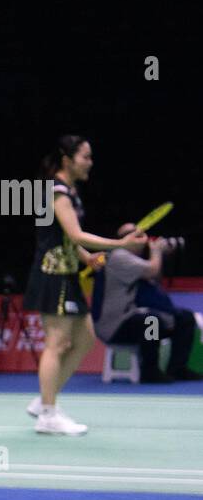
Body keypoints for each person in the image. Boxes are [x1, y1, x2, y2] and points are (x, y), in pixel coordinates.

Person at [23, 136, 147, 435]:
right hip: (52, 275)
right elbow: (76, 234)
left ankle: (44, 401)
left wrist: (86, 258)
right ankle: (48, 415)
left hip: (67, 274)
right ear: (67, 159)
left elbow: (64, 236)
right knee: (57, 343)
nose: (90, 162)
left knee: (86, 339)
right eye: (85, 157)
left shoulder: (70, 192)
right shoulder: (58, 190)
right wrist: (121, 244)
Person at [94, 225, 200, 382]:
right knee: (151, 322)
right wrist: (156, 252)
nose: (141, 239)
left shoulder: (134, 260)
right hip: (114, 325)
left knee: (185, 318)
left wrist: (159, 256)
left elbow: (154, 280)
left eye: (141, 235)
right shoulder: (118, 256)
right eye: (134, 235)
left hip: (132, 317)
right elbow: (152, 270)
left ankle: (177, 368)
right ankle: (149, 371)